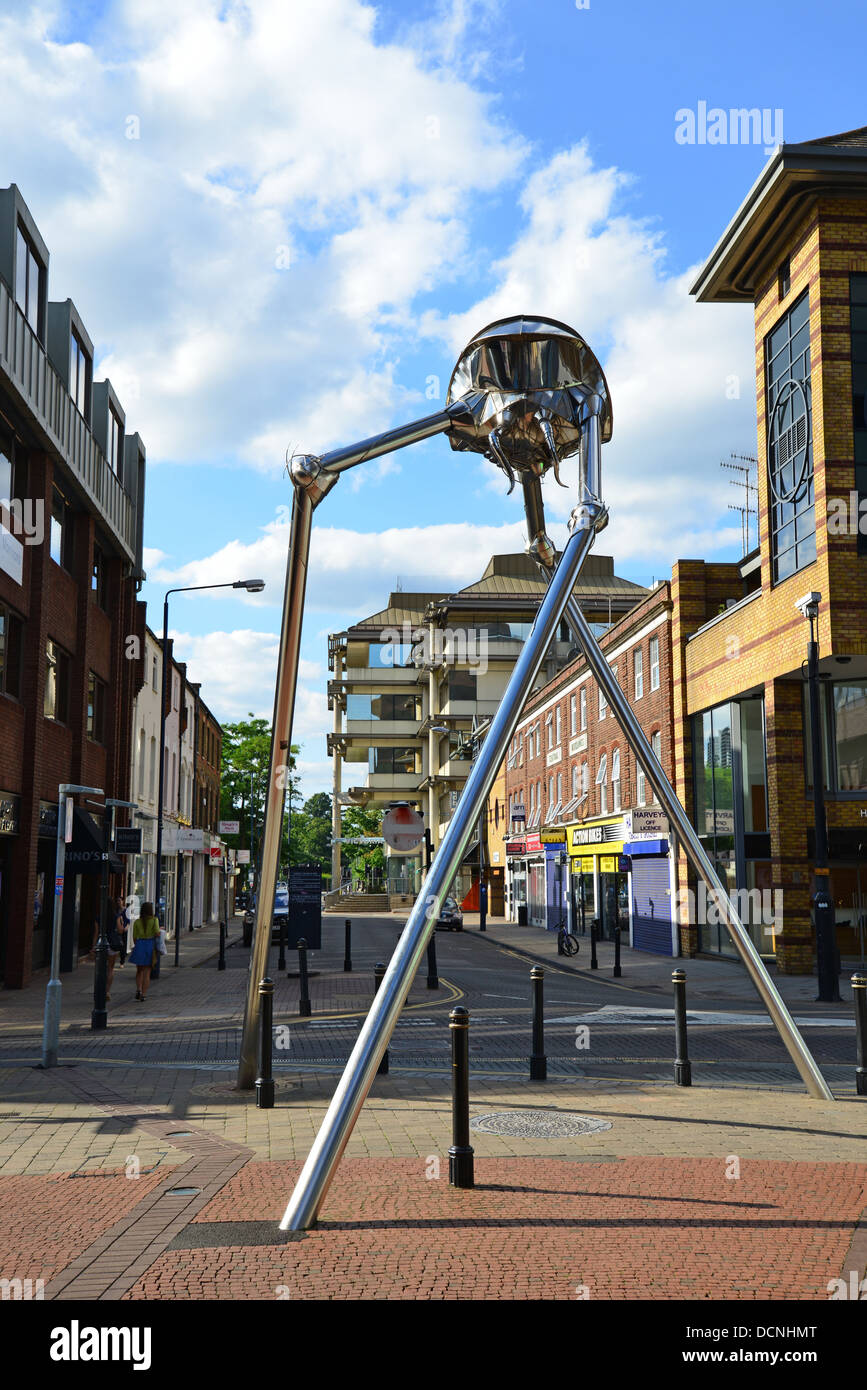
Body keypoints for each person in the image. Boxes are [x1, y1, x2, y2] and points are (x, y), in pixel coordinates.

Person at [129, 901, 160, 1001]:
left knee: (139, 970)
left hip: (139, 945)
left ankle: (138, 990)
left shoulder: (137, 922)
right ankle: (144, 994)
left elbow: (134, 937)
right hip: (149, 945)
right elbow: (157, 933)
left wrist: (137, 945)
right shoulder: (155, 920)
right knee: (147, 972)